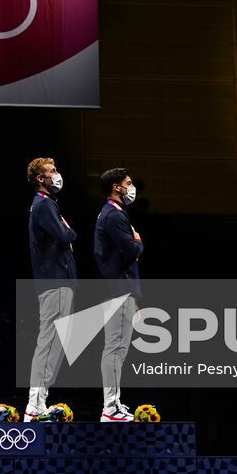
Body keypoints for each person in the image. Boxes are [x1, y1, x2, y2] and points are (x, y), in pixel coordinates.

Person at [24, 158, 75, 422]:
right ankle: (34, 403)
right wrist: (69, 230)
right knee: (49, 341)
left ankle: (39, 400)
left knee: (55, 343)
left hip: (59, 281)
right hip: (53, 281)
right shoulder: (44, 204)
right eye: (52, 171)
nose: (57, 174)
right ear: (40, 179)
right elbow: (65, 236)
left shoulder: (47, 204)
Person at [94, 168, 141, 422]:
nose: (131, 188)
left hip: (121, 289)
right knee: (115, 348)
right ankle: (110, 407)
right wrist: (138, 242)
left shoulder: (114, 213)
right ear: (116, 187)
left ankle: (113, 404)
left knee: (118, 349)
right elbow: (131, 251)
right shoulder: (113, 215)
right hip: (117, 289)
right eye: (128, 183)